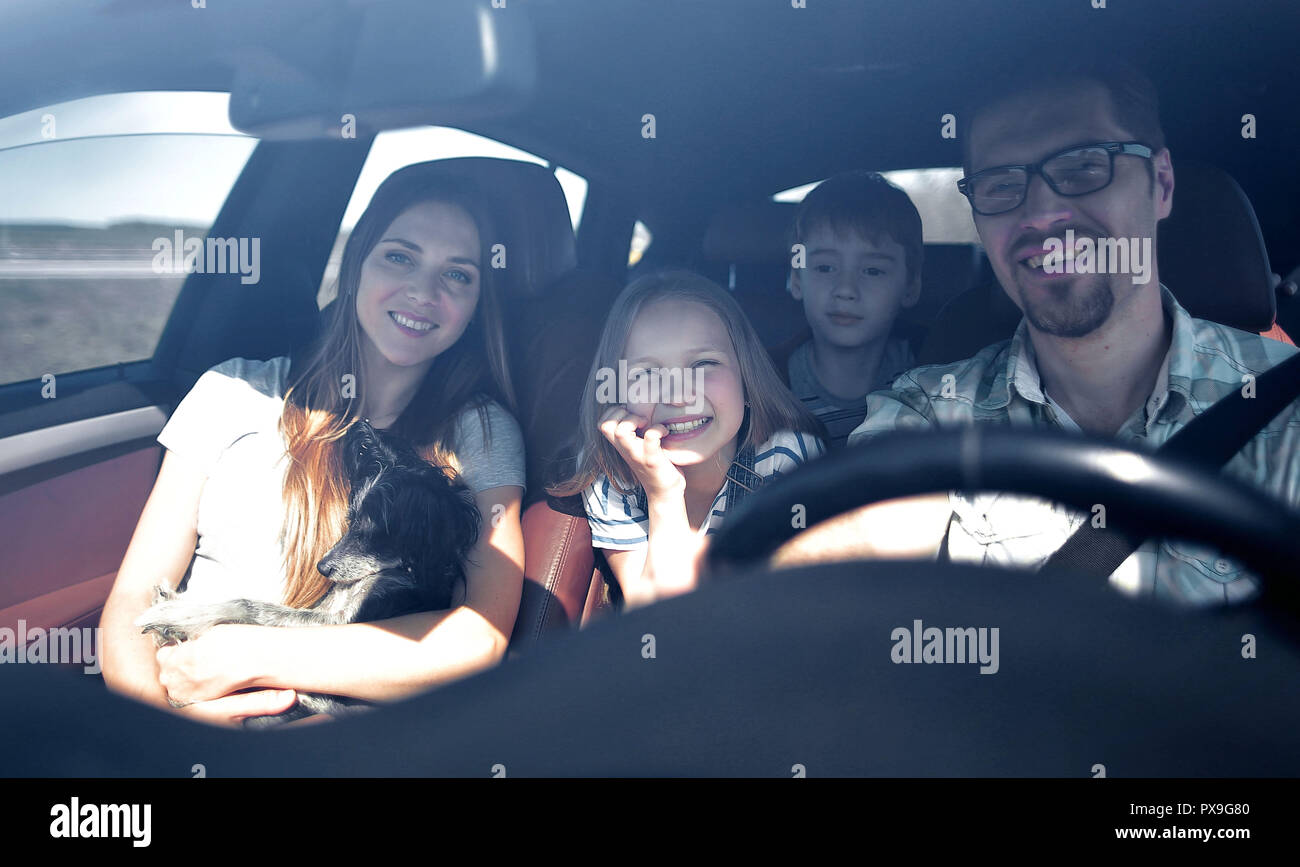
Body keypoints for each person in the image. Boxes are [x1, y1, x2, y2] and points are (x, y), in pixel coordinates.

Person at [839, 57, 1299, 605]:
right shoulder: (929, 411)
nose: (1041, 213)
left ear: (1162, 184)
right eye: (1001, 184)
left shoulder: (1283, 406)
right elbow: (850, 557)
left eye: (1083, 168)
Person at [100, 165, 527, 726]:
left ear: (476, 303)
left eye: (458, 275)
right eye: (399, 257)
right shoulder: (231, 391)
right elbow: (133, 601)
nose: (423, 293)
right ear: (357, 266)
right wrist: (164, 722)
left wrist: (248, 655)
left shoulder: (480, 432)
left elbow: (476, 638)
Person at [551, 270, 824, 608]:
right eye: (647, 374)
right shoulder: (610, 473)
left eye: (703, 364)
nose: (679, 396)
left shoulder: (785, 457)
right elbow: (657, 620)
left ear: (747, 381)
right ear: (616, 393)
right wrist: (663, 495)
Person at [770, 171, 923, 448]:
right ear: (796, 280)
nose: (846, 289)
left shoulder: (932, 376)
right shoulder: (767, 386)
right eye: (825, 267)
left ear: (910, 287)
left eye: (873, 270)